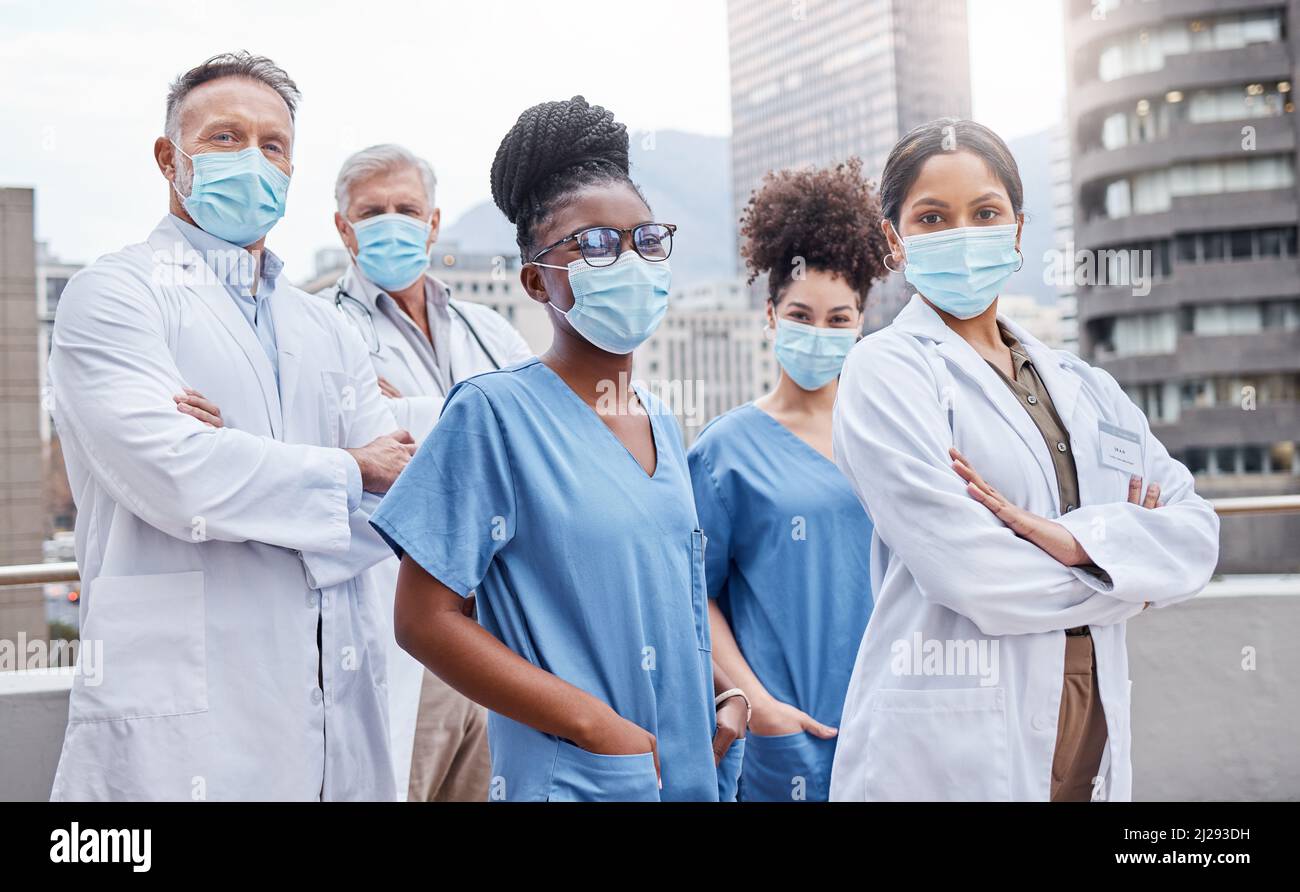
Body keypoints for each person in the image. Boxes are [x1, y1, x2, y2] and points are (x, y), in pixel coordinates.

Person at [47, 51, 412, 801]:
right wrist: (345, 469)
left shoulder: (326, 327)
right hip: (183, 734)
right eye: (223, 138)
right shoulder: (115, 296)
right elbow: (179, 479)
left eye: (272, 145)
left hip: (332, 705)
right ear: (168, 158)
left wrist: (244, 464)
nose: (252, 160)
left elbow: (393, 506)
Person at [829, 118, 1220, 802]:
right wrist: (1124, 571)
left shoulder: (1083, 383)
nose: (962, 232)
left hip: (1089, 712)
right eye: (932, 217)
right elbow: (970, 574)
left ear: (1016, 228)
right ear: (895, 240)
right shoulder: (886, 369)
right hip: (952, 733)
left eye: (985, 212)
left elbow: (1195, 534)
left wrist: (1073, 542)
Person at [369, 96, 747, 802]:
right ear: (537, 280)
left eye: (645, 241)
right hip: (583, 778)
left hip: (685, 776)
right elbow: (422, 622)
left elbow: (665, 600)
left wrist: (719, 707)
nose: (628, 261)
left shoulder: (662, 421)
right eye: (596, 245)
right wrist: (598, 727)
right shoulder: (493, 415)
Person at [321, 144, 533, 802]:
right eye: (372, 211)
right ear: (342, 228)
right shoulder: (324, 333)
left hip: (498, 632)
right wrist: (478, 424)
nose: (391, 222)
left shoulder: (489, 329)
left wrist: (410, 415)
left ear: (434, 223)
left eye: (406, 209)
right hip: (403, 628)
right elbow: (358, 460)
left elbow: (537, 436)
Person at [688, 160, 884, 801]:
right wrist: (759, 704)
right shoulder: (728, 451)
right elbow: (692, 593)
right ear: (770, 315)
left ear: (861, 324)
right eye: (800, 315)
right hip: (786, 744)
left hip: (894, 730)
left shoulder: (891, 440)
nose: (818, 334)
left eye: (838, 319)